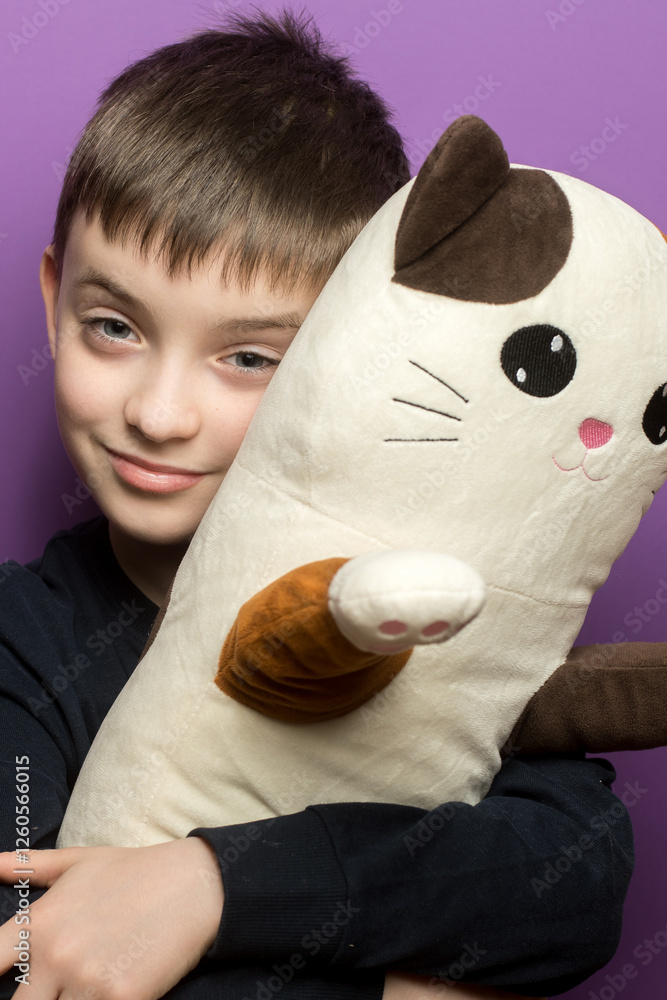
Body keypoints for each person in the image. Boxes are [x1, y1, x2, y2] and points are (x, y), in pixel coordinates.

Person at [0, 9, 633, 1000]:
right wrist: (406, 982)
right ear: (53, 301)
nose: (157, 412)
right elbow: (28, 956)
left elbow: (572, 880)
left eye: (250, 356)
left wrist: (212, 886)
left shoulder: (430, 608)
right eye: (114, 325)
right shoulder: (20, 636)